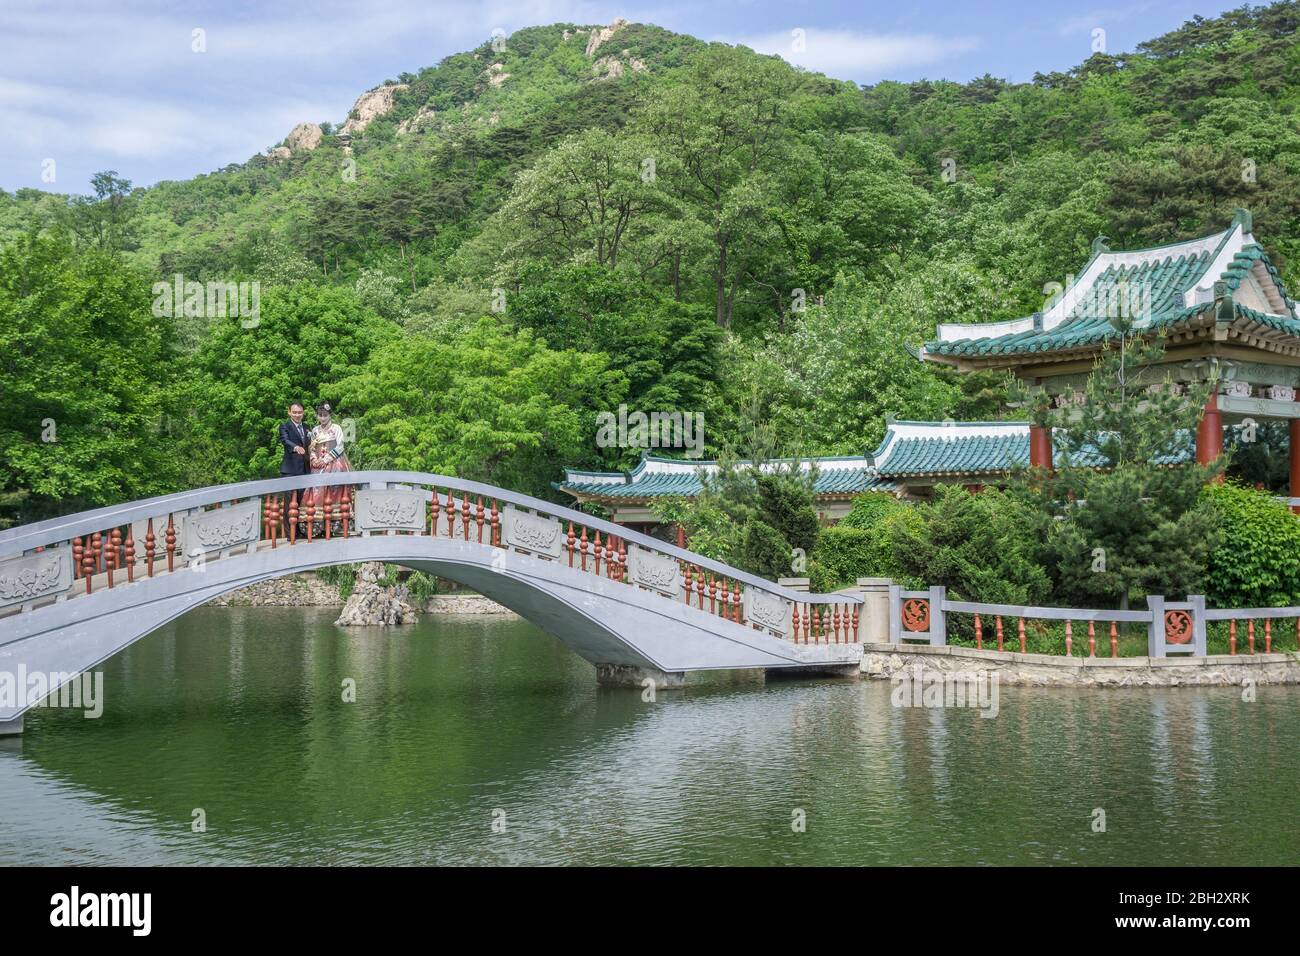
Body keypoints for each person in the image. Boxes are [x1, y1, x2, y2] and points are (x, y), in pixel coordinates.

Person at [300, 402, 353, 533]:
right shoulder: (315, 430)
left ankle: (336, 522)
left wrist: (326, 459)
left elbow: (340, 446)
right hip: (317, 464)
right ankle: (317, 523)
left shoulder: (336, 428)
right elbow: (311, 447)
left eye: (325, 415)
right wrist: (314, 459)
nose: (322, 418)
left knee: (334, 489)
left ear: (330, 415)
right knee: (315, 490)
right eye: (320, 415)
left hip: (334, 462)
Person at [277, 402, 310, 476]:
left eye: (300, 412)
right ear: (289, 412)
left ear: (303, 412)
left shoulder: (307, 427)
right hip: (290, 470)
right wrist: (296, 447)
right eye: (294, 412)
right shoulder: (284, 426)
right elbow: (285, 440)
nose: (297, 415)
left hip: (306, 469)